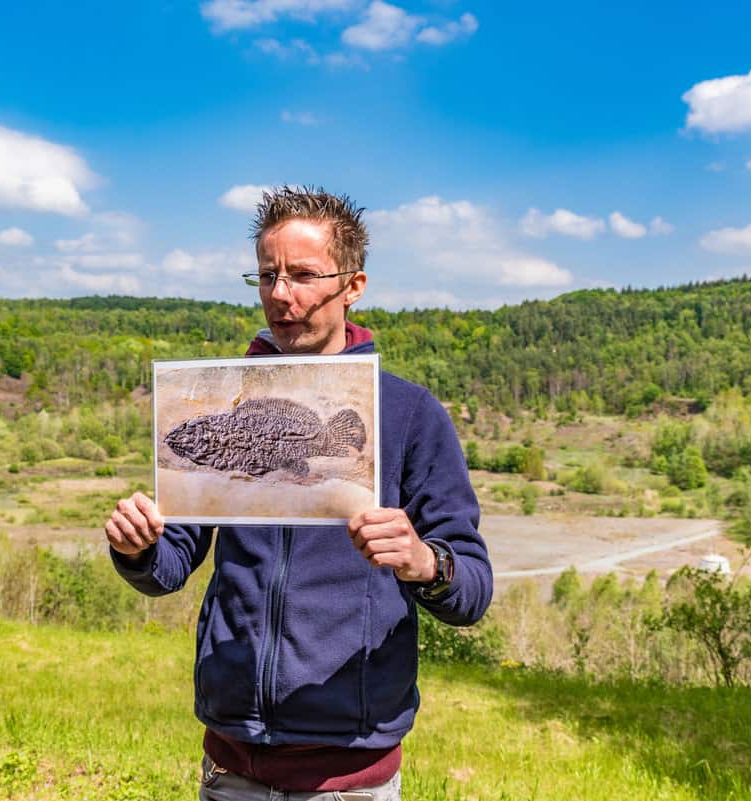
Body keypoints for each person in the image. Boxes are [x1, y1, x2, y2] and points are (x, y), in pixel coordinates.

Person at [105, 186, 492, 800]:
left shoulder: (411, 413)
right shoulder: (215, 398)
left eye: (304, 276)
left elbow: (471, 589)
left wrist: (425, 562)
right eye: (267, 275)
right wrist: (138, 549)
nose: (281, 295)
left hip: (350, 781)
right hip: (229, 768)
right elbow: (169, 565)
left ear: (353, 284)